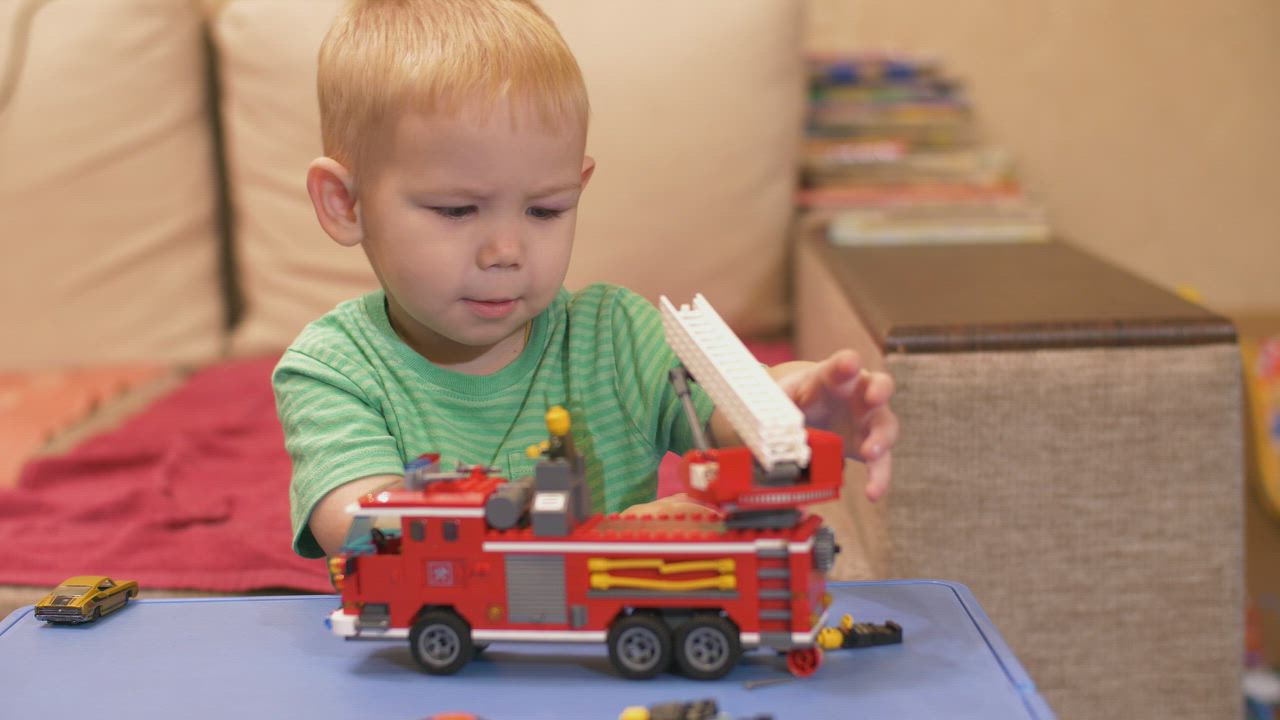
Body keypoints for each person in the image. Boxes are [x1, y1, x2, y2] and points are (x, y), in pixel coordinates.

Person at [273, 0, 899, 559]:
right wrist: (618, 538)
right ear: (345, 204)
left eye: (545, 210)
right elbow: (361, 528)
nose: (507, 251)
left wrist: (792, 407)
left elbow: (733, 404)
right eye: (456, 210)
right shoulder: (333, 369)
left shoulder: (617, 335)